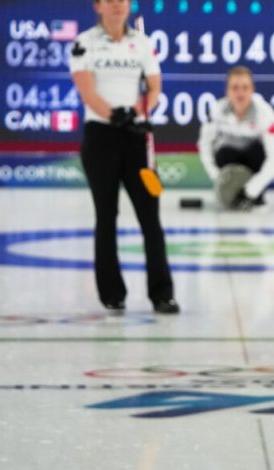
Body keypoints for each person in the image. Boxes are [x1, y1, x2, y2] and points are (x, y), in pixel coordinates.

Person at [69, 0, 179, 314]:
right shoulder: (84, 43)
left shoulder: (142, 43)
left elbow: (155, 88)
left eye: (123, 0)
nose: (118, 5)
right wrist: (114, 114)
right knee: (106, 216)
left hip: (136, 137)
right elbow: (86, 90)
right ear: (98, 6)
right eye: (111, 0)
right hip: (101, 137)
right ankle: (112, 294)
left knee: (150, 219)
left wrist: (135, 112)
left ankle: (162, 293)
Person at [198, 66, 274, 210]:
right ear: (227, 91)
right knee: (223, 152)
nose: (240, 93)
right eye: (235, 88)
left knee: (257, 152)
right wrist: (218, 178)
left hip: (254, 163)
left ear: (252, 90)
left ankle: (254, 196)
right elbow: (204, 147)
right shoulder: (217, 112)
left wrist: (251, 190)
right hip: (229, 162)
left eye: (245, 87)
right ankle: (230, 194)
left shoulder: (265, 114)